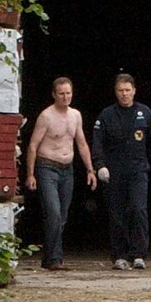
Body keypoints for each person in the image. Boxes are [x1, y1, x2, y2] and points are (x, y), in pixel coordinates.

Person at [92, 72, 151, 271]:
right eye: (120, 90)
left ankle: (139, 254)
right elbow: (97, 143)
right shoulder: (106, 115)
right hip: (114, 171)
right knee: (117, 214)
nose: (124, 94)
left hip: (138, 170)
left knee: (138, 209)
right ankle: (120, 255)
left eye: (127, 90)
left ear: (134, 91)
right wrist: (100, 165)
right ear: (115, 92)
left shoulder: (145, 113)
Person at [24, 77, 96, 270]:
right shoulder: (46, 116)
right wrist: (30, 174)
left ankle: (50, 257)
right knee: (53, 212)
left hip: (68, 169)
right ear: (54, 95)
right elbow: (32, 145)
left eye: (68, 93)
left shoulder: (76, 115)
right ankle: (55, 258)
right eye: (62, 94)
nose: (66, 97)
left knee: (62, 215)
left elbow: (81, 143)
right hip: (47, 167)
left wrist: (90, 169)